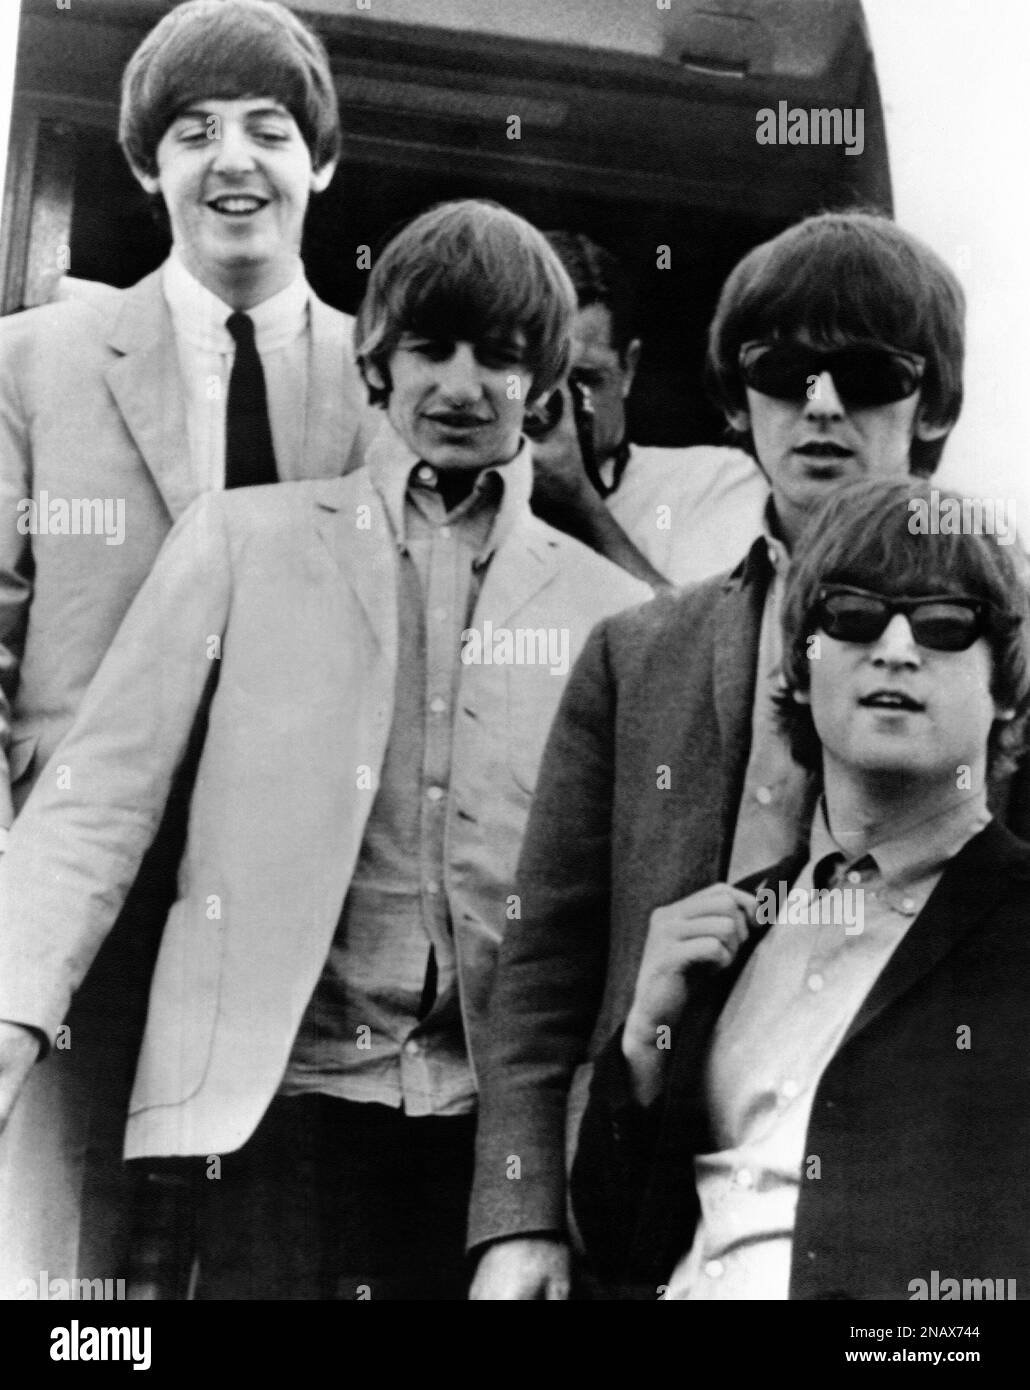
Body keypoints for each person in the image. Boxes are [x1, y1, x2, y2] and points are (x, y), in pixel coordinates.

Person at [0, 198, 649, 1300]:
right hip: (271, 1105)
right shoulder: (244, 539)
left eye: (498, 357)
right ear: (372, 362)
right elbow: (97, 799)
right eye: (429, 348)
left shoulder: (609, 614)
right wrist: (13, 1011)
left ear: (545, 387)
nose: (459, 385)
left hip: (489, 1135)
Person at [468, 210, 980, 1299]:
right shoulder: (638, 648)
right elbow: (545, 965)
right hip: (640, 1189)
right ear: (733, 395)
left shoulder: (991, 656)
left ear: (930, 402)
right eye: (783, 369)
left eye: (868, 372)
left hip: (899, 1214)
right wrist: (521, 1219)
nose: (822, 404)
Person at [0, 0, 377, 1298]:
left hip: (303, 944)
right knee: (74, 1287)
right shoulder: (32, 366)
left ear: (318, 162)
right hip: (74, 933)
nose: (232, 159)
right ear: (145, 163)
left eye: (268, 128)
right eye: (193, 129)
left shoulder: (389, 390)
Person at [570, 477, 1030, 1299]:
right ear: (800, 671)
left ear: (1007, 691)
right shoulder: (732, 929)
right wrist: (644, 1046)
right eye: (852, 616)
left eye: (945, 623)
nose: (894, 647)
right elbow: (620, 1248)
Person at [530, 231, 767, 588]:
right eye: (540, 378)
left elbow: (710, 638)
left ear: (629, 369)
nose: (560, 406)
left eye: (585, 378)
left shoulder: (707, 483)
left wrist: (583, 507)